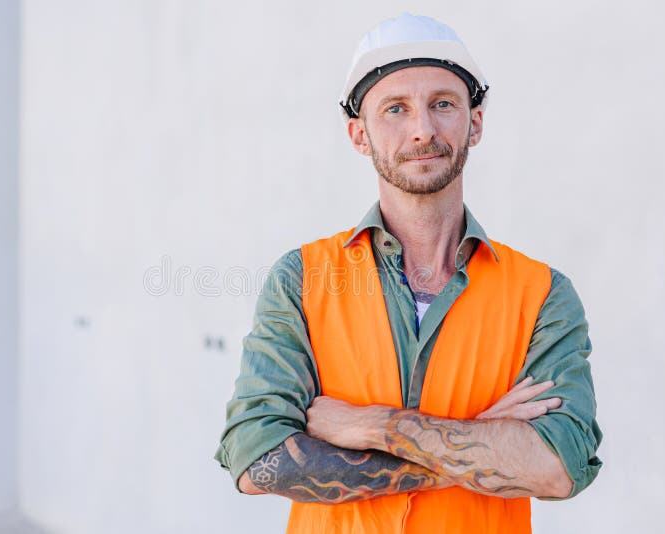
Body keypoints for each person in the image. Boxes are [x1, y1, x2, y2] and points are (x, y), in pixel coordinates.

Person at [215, 13, 602, 534]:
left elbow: (558, 467)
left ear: (476, 122)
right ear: (359, 134)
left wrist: (366, 425)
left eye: (443, 103)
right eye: (395, 108)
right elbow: (255, 456)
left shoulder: (542, 294)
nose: (422, 129)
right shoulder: (303, 279)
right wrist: (479, 441)